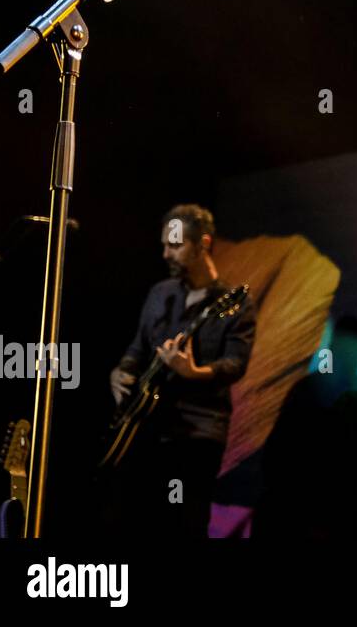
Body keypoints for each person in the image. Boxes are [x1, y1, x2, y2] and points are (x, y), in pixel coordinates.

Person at [106, 204, 257, 537]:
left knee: (185, 523)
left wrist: (193, 371)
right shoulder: (160, 294)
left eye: (175, 245)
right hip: (148, 428)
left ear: (203, 243)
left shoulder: (235, 302)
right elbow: (137, 348)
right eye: (164, 245)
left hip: (198, 433)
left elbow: (235, 364)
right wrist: (121, 373)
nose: (166, 253)